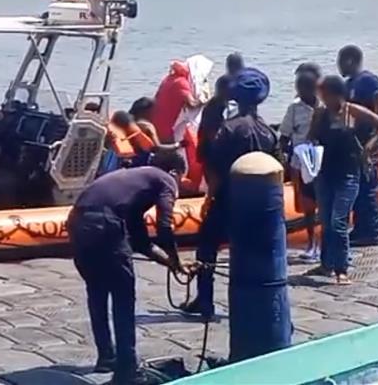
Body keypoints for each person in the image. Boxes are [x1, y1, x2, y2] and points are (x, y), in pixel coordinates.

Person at [68, 152, 193, 384]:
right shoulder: (165, 180)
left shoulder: (134, 187)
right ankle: (127, 369)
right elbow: (165, 226)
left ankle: (106, 356)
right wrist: (176, 258)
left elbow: (141, 242)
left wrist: (172, 264)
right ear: (175, 172)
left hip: (77, 221)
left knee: (97, 290)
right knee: (123, 294)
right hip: (104, 223)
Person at [182, 67, 278, 319]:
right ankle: (256, 301)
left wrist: (210, 196)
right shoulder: (268, 132)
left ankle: (205, 300)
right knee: (252, 252)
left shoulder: (229, 129)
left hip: (227, 198)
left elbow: (213, 164)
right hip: (257, 203)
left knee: (206, 248)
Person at [307, 75, 378, 284]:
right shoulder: (320, 114)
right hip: (325, 173)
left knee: (338, 221)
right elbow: (311, 137)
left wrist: (369, 147)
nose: (321, 97)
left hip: (348, 174)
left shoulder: (352, 111)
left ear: (334, 93)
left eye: (324, 93)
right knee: (325, 220)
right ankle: (326, 264)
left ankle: (341, 269)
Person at [337, 45, 378, 247]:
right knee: (358, 187)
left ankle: (371, 233)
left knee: (368, 186)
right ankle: (360, 230)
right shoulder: (347, 84)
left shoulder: (369, 81)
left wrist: (373, 141)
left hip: (369, 143)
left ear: (350, 60)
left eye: (341, 61)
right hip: (354, 144)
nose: (339, 66)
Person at [279, 63, 322, 262]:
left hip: (321, 161)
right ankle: (311, 244)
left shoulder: (324, 107)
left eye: (307, 87)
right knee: (307, 205)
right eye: (300, 88)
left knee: (323, 203)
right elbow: (285, 136)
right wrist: (286, 160)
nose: (302, 92)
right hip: (301, 162)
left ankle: (322, 245)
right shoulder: (294, 109)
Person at [151, 60, 202, 144]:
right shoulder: (181, 82)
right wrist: (204, 101)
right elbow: (192, 104)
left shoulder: (167, 79)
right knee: (169, 152)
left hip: (156, 122)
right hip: (166, 127)